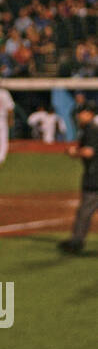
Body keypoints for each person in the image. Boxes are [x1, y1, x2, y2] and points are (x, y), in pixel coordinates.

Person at [58, 103, 98, 254]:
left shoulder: (91, 130)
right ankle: (76, 240)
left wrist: (74, 152)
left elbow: (89, 152)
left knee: (84, 213)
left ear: (89, 113)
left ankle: (76, 242)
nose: (78, 116)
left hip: (94, 179)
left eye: (81, 112)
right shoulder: (92, 128)